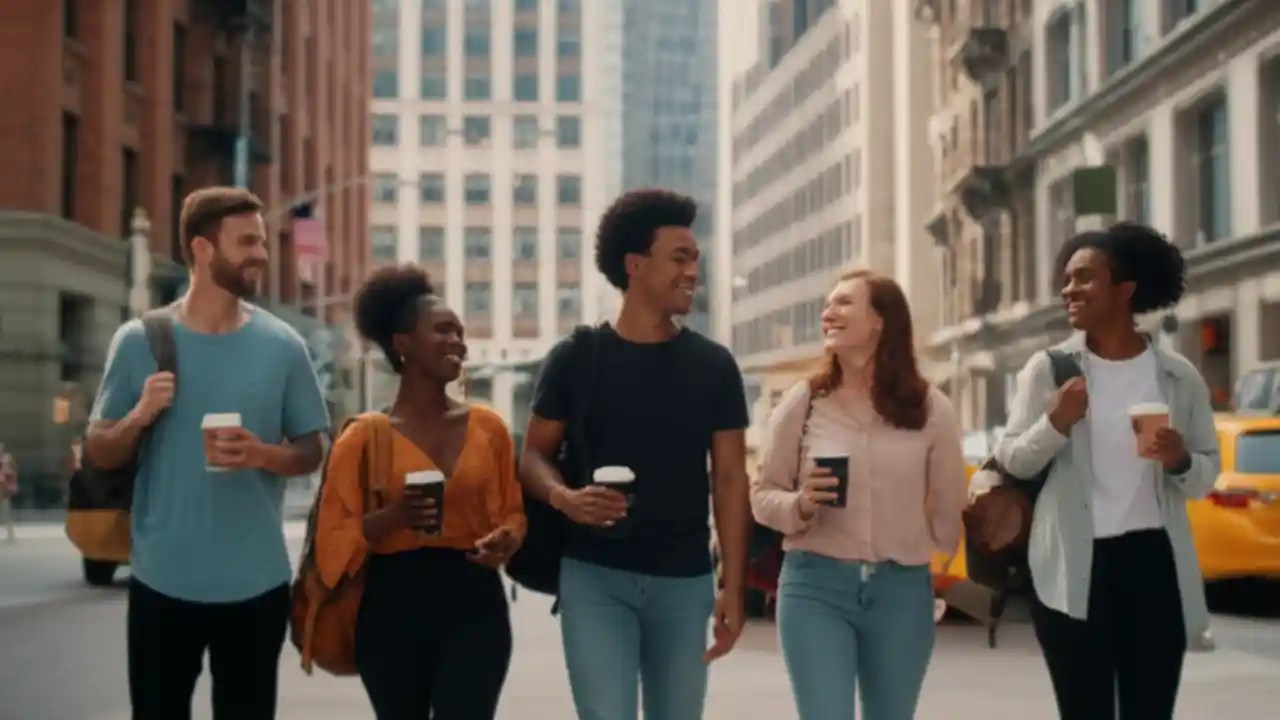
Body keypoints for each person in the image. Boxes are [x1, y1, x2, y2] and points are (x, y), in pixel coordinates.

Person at [86, 187, 330, 720]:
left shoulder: (284, 345)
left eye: (262, 242)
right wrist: (140, 413)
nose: (261, 254)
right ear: (202, 248)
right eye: (246, 242)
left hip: (256, 587)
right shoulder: (138, 341)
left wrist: (265, 455)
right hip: (161, 583)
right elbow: (99, 450)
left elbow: (313, 448)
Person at [519, 189, 752, 720]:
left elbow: (731, 481)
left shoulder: (713, 366)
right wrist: (564, 498)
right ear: (634, 264)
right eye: (679, 257)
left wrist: (732, 587)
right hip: (594, 576)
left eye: (695, 257)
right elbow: (532, 456)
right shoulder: (575, 358)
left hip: (684, 580)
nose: (694, 269)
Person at [997, 222, 1218, 720]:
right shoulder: (1049, 369)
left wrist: (1180, 459)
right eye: (1067, 279)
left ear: (1125, 290)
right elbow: (1013, 458)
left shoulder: (1178, 378)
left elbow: (1206, 475)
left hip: (1153, 563)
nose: (1068, 289)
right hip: (1073, 566)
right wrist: (1055, 422)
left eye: (1084, 277)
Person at [751, 269, 966, 720]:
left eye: (844, 302)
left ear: (880, 322)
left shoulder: (931, 408)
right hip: (815, 588)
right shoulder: (803, 400)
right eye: (828, 304)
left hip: (901, 592)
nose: (828, 312)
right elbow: (763, 494)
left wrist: (935, 572)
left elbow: (949, 511)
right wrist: (801, 504)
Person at [314, 264, 525, 719]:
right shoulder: (363, 438)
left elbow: (513, 513)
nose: (458, 342)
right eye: (443, 330)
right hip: (392, 607)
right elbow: (331, 542)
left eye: (460, 333)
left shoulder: (488, 428)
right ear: (403, 344)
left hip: (475, 601)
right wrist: (393, 517)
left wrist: (506, 539)